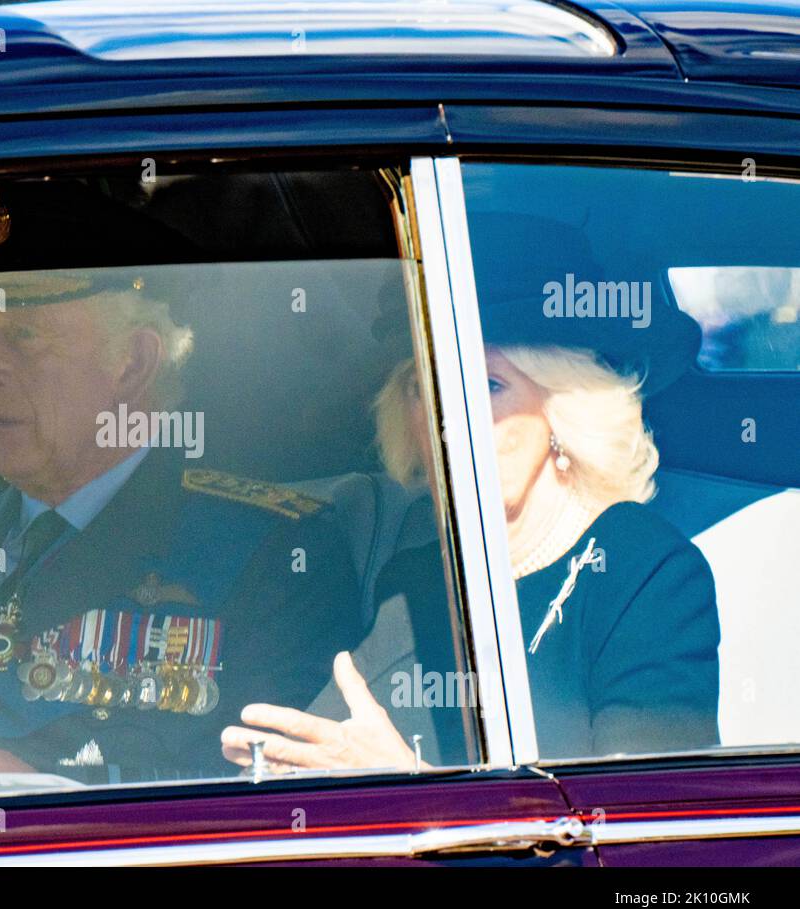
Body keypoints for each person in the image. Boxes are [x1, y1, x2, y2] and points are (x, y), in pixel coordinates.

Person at [0, 180, 363, 803]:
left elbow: (269, 792)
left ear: (133, 364)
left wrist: (51, 786)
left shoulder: (272, 554)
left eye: (24, 337)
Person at [222, 218, 722, 769]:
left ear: (563, 407)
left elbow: (642, 830)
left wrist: (402, 786)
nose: (445, 423)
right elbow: (330, 747)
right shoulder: (414, 580)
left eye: (487, 386)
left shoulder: (646, 572)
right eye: (422, 387)